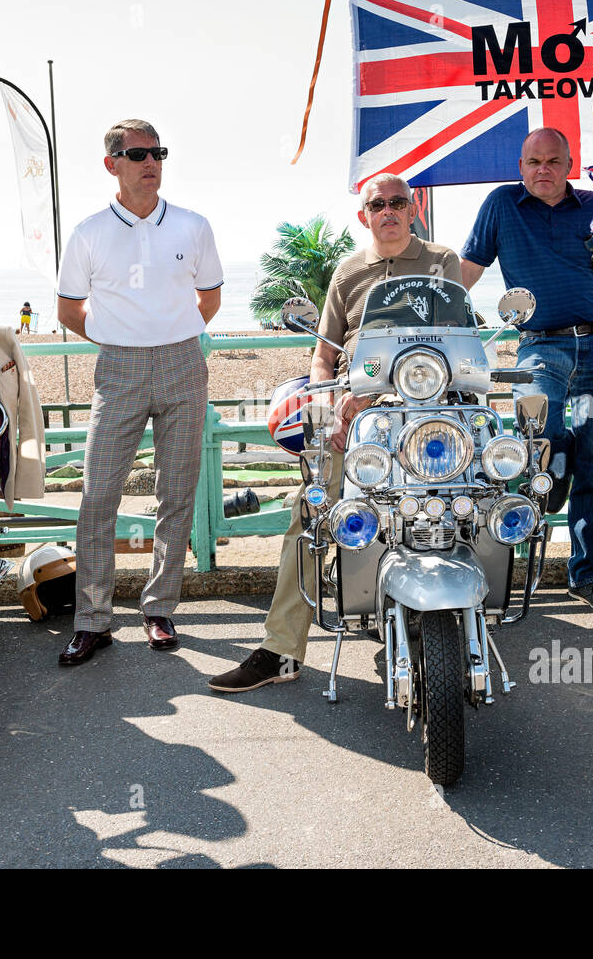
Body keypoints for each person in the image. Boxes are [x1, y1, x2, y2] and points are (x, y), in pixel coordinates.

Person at [208, 172, 461, 693]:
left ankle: (465, 611)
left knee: (476, 498)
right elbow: (323, 354)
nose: (388, 211)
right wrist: (327, 401)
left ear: (413, 211)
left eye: (397, 202)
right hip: (353, 417)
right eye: (377, 204)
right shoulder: (348, 273)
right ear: (363, 215)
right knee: (312, 514)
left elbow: (454, 343)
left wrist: (372, 390)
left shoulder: (442, 262)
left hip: (424, 409)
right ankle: (281, 649)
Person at [459, 127, 593, 614]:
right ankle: (553, 467)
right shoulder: (501, 206)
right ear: (521, 167)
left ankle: (588, 576)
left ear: (569, 164)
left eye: (553, 161)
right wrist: (426, 314)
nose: (543, 170)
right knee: (538, 429)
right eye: (534, 162)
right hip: (539, 348)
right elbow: (467, 273)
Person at [55, 119, 222, 664]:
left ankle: (159, 610)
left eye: (158, 153)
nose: (151, 163)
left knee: (175, 495)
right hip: (118, 369)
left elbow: (209, 298)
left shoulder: (194, 226)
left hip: (182, 365)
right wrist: (121, 339)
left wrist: (169, 334)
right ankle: (93, 620)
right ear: (112, 165)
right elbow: (68, 310)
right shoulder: (88, 233)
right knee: (97, 496)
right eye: (138, 154)